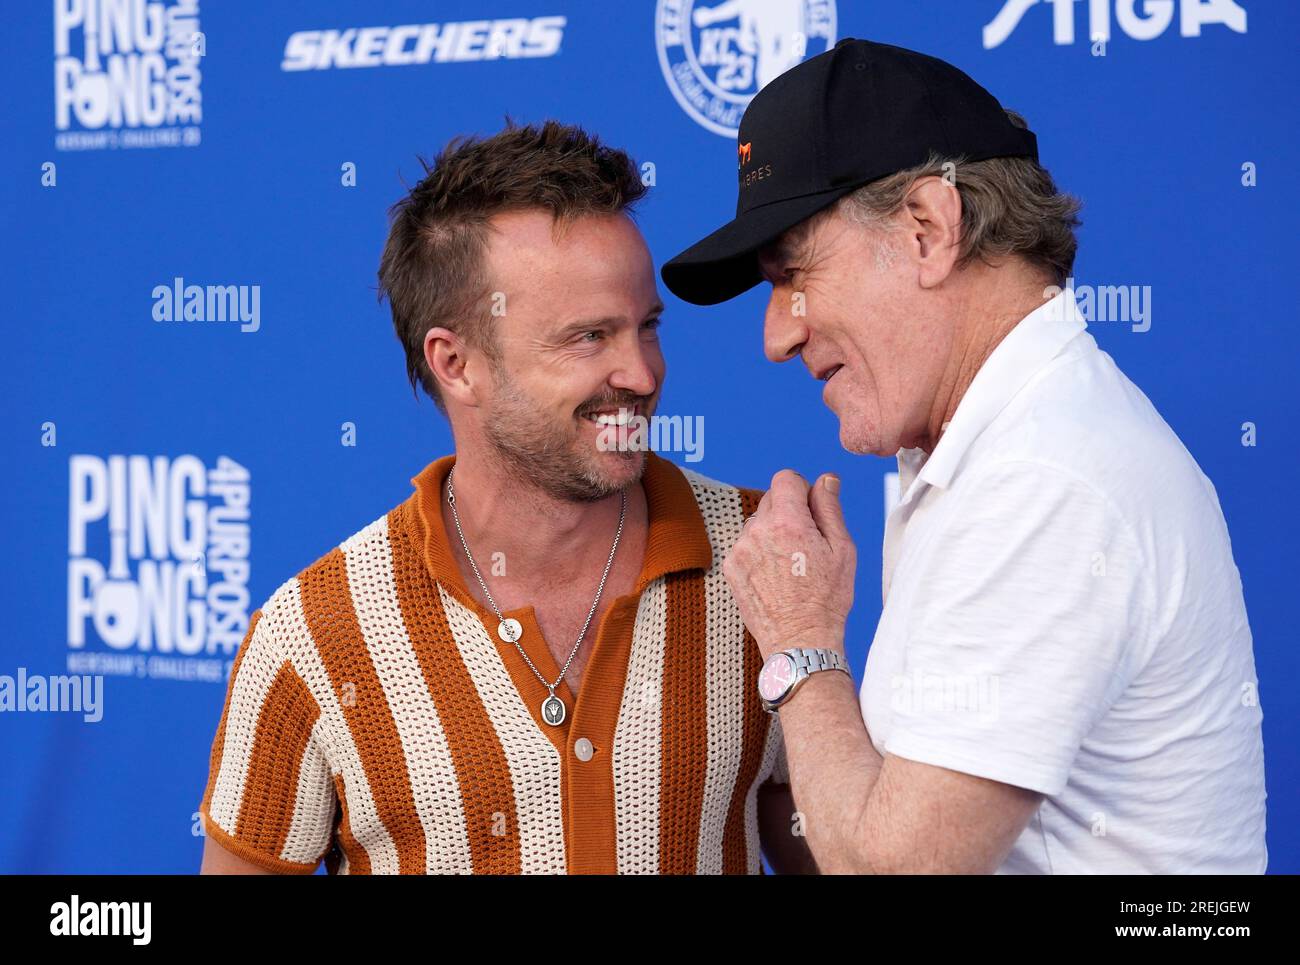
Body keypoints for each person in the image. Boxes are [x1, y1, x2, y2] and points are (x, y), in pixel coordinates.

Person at [661, 39, 1267, 873]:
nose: (777, 333)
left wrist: (800, 647)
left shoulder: (1043, 480)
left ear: (928, 230)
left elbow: (893, 868)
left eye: (792, 273)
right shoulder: (1010, 449)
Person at [199, 120, 812, 875]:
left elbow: (844, 853)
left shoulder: (768, 563)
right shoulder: (312, 635)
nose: (643, 375)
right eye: (589, 337)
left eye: (646, 327)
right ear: (456, 363)